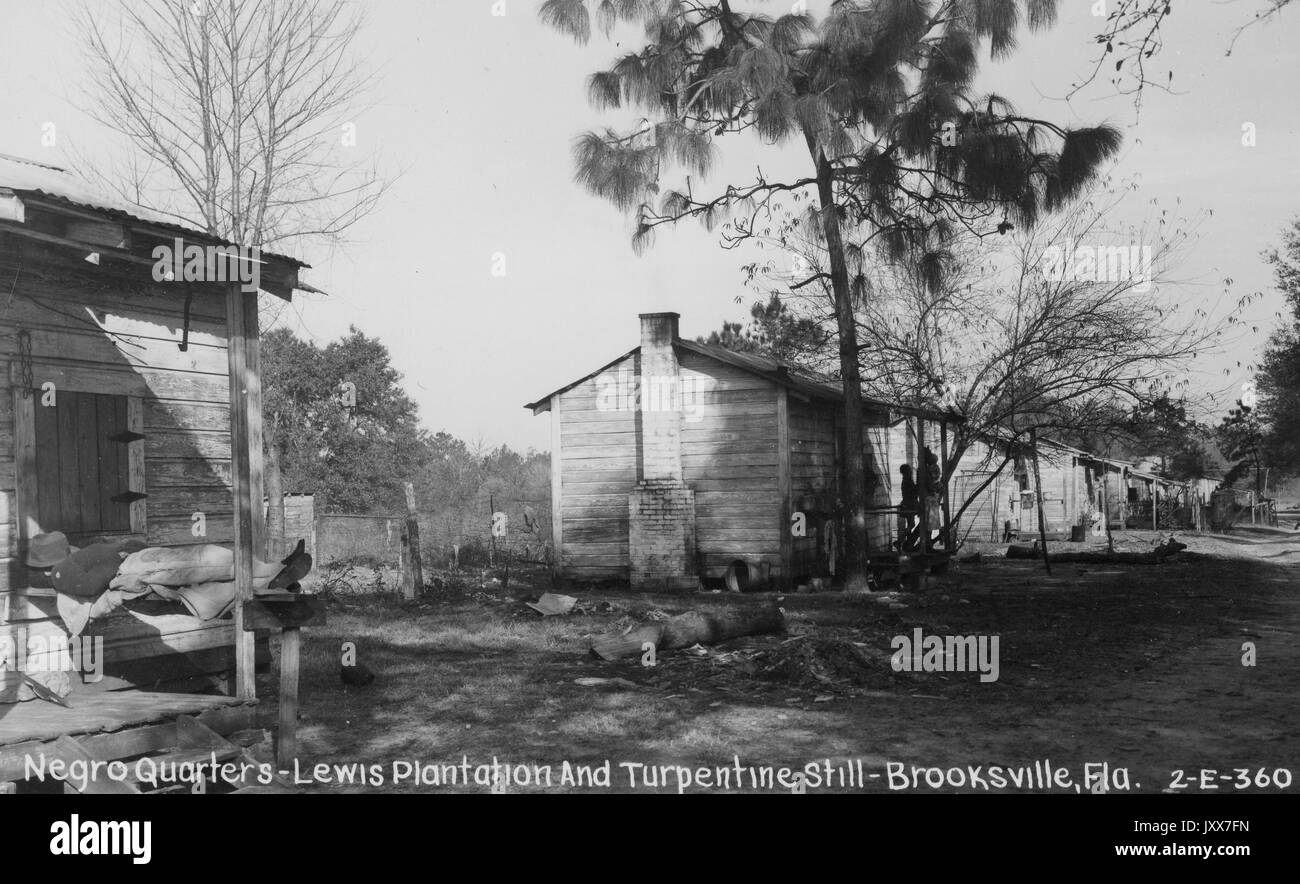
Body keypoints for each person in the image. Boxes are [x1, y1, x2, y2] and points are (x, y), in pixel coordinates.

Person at [898, 464, 920, 550]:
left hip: (908, 505)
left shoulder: (906, 480)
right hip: (909, 505)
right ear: (907, 472)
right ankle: (900, 541)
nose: (911, 472)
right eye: (910, 470)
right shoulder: (907, 481)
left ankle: (904, 542)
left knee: (911, 524)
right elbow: (913, 492)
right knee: (911, 524)